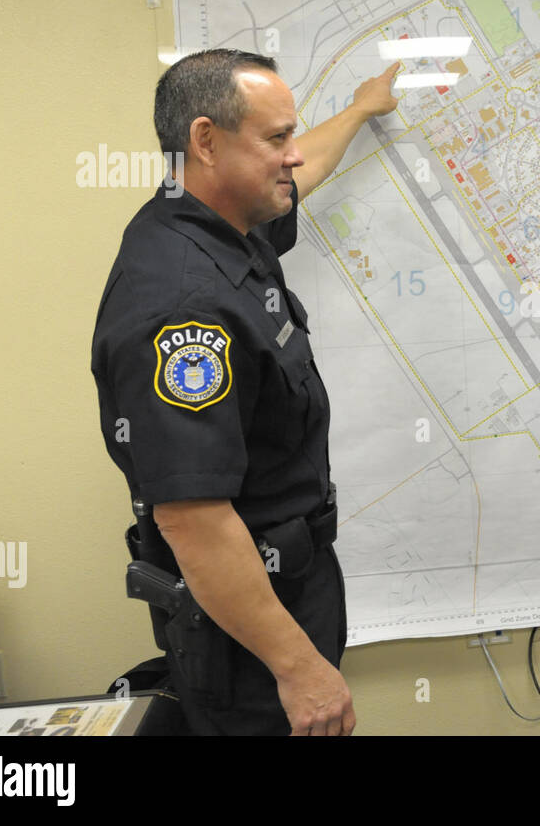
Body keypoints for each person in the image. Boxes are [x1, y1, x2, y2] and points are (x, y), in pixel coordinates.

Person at [91, 49, 400, 735]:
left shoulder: (222, 219)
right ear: (206, 140)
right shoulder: (182, 304)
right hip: (249, 635)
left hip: (290, 588)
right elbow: (193, 518)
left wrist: (359, 109)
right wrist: (300, 669)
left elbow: (306, 167)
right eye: (276, 137)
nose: (293, 155)